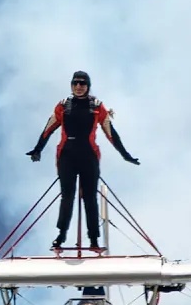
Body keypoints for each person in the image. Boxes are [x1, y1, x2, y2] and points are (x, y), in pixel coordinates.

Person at [26, 71, 140, 251]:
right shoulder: (63, 105)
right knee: (67, 196)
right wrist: (38, 149)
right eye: (75, 83)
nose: (79, 87)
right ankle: (61, 236)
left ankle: (94, 239)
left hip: (89, 157)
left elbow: (111, 134)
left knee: (89, 198)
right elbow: (48, 129)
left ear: (88, 86)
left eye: (82, 83)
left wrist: (125, 155)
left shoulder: (97, 106)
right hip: (67, 156)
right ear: (71, 85)